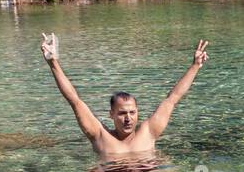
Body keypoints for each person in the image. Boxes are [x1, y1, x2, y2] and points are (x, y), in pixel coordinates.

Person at [41, 32, 208, 157]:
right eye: (122, 113)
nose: (128, 118)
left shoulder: (149, 132)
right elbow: (74, 100)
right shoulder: (100, 136)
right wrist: (53, 62)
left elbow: (173, 98)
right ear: (111, 114)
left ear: (137, 113)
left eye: (132, 112)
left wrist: (195, 66)